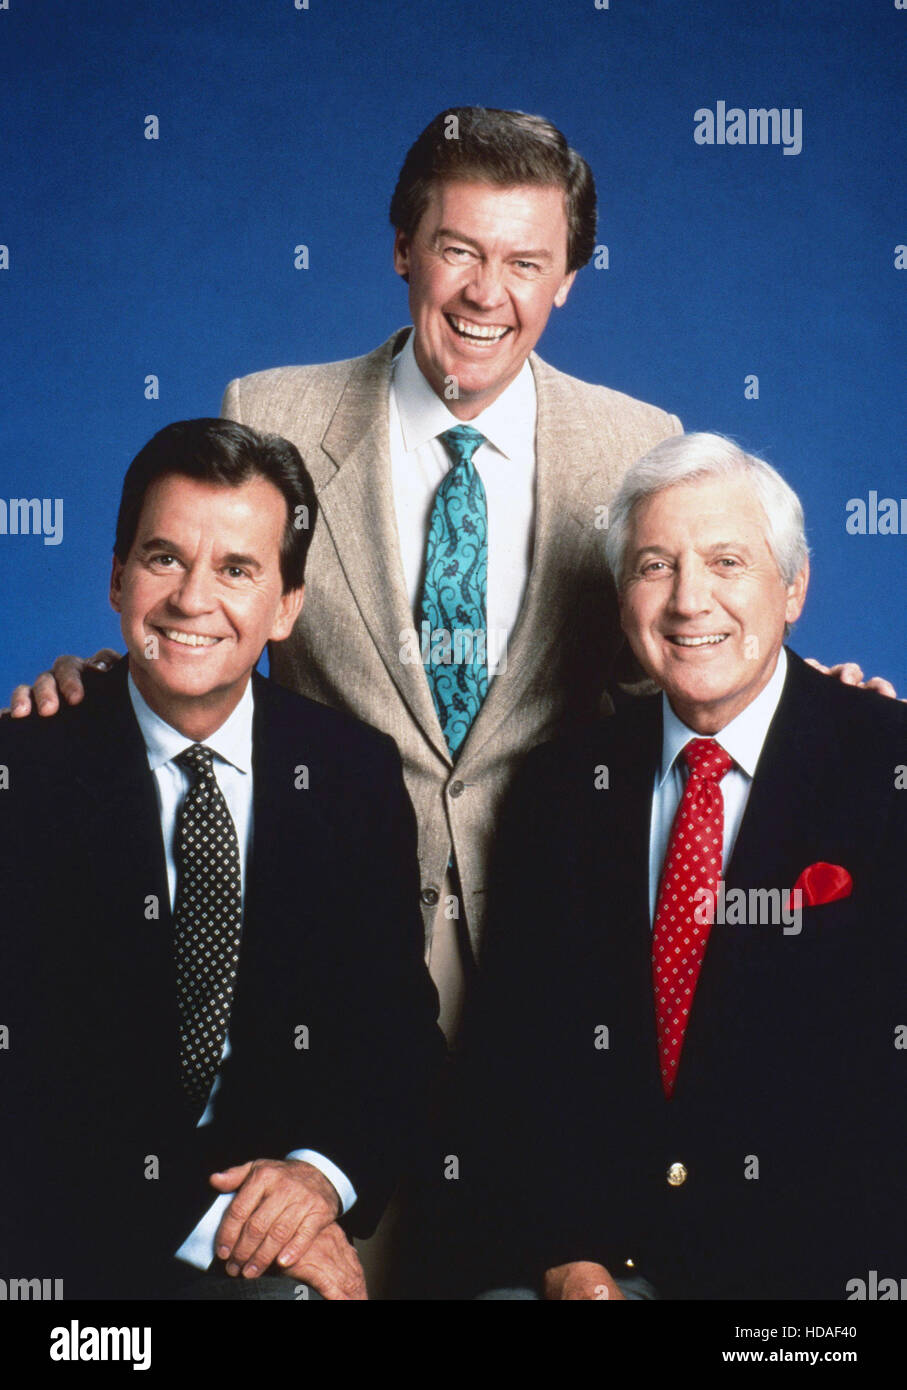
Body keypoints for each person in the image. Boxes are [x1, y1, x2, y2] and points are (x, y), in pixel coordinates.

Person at [6, 109, 896, 1297]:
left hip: (557, 981)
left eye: (526, 261)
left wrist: (815, 708)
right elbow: (210, 586)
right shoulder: (272, 410)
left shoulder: (632, 440)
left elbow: (692, 618)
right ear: (402, 250)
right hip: (337, 990)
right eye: (458, 250)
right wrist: (98, 685)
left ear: (569, 278)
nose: (487, 292)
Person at [0, 419, 444, 1301]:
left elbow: (393, 1038)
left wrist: (319, 1180)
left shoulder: (351, 774)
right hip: (47, 1230)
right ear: (117, 575)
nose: (192, 599)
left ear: (286, 605)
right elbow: (29, 1083)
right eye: (163, 558)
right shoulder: (24, 776)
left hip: (253, 1222)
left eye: (237, 569)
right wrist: (216, 1226)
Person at [467, 433, 906, 1300]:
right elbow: (517, 1064)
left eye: (726, 562)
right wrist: (563, 1255)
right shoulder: (560, 788)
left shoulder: (884, 768)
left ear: (793, 589)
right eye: (654, 566)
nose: (687, 601)